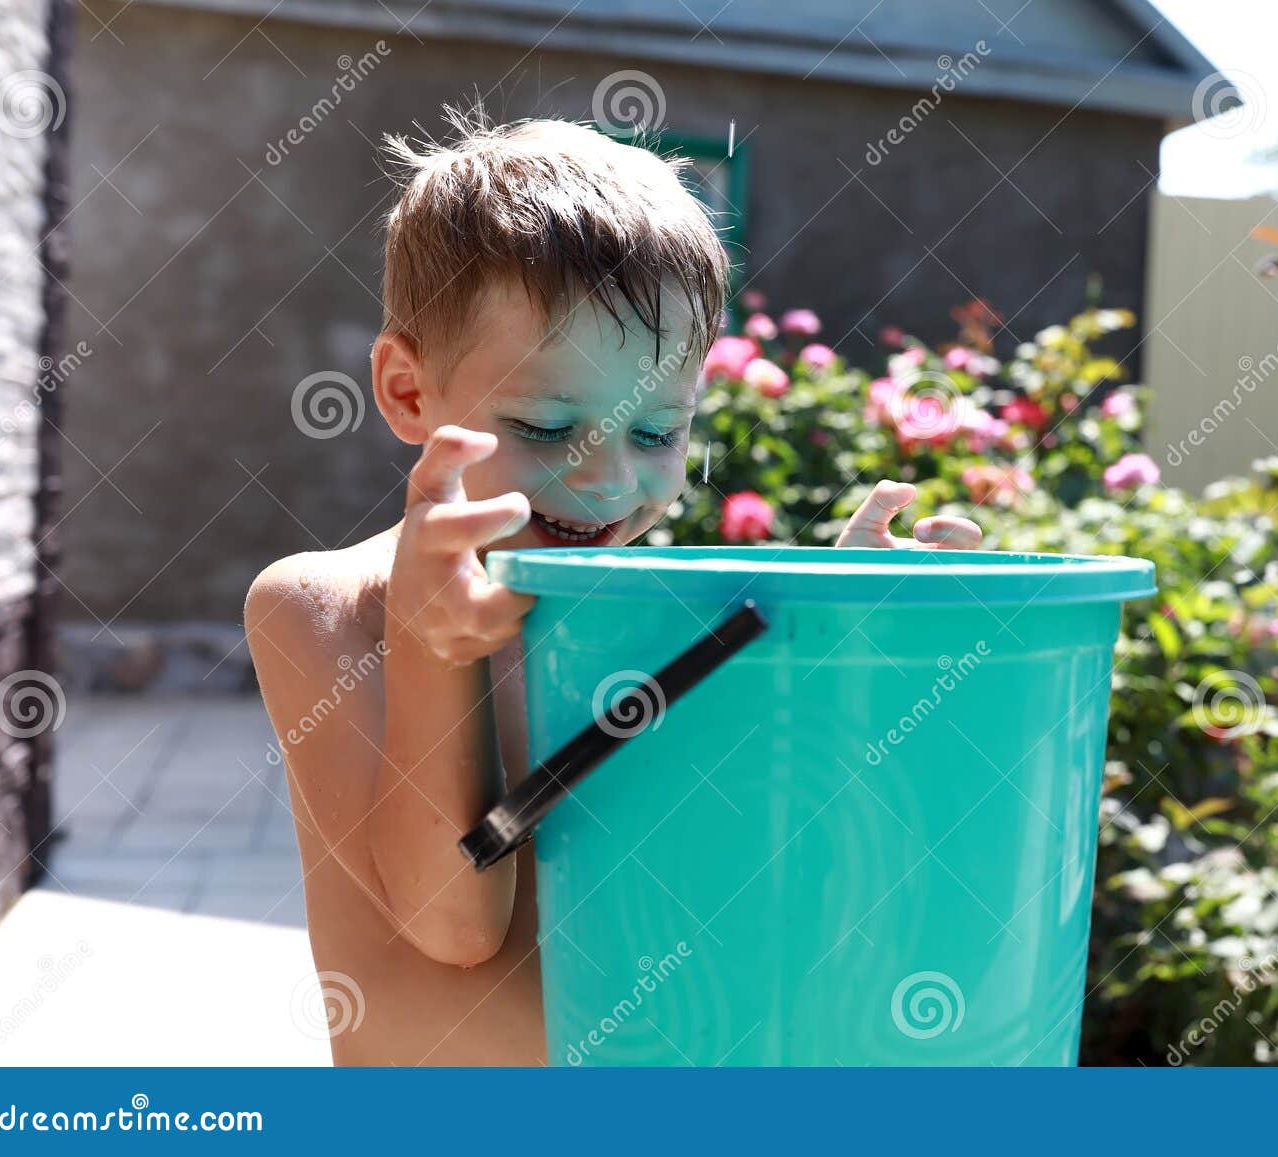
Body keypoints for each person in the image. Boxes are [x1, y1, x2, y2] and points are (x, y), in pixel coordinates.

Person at [244, 106, 982, 1065]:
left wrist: (834, 629)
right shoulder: (321, 608)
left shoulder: (652, 613)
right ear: (408, 392)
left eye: (654, 432)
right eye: (550, 428)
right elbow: (454, 924)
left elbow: (772, 857)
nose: (605, 481)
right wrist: (434, 646)